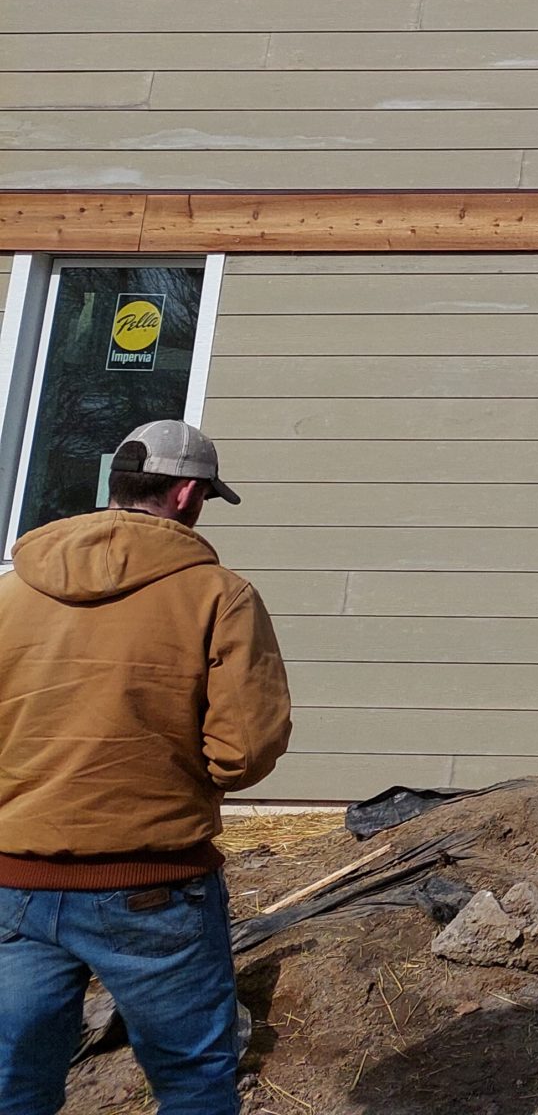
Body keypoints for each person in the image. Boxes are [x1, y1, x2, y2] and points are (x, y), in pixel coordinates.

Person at [0, 419, 293, 1115]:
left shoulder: (12, 593)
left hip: (15, 879)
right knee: (192, 1081)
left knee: (14, 1084)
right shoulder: (220, 596)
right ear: (188, 492)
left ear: (118, 485)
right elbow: (245, 750)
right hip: (152, 886)